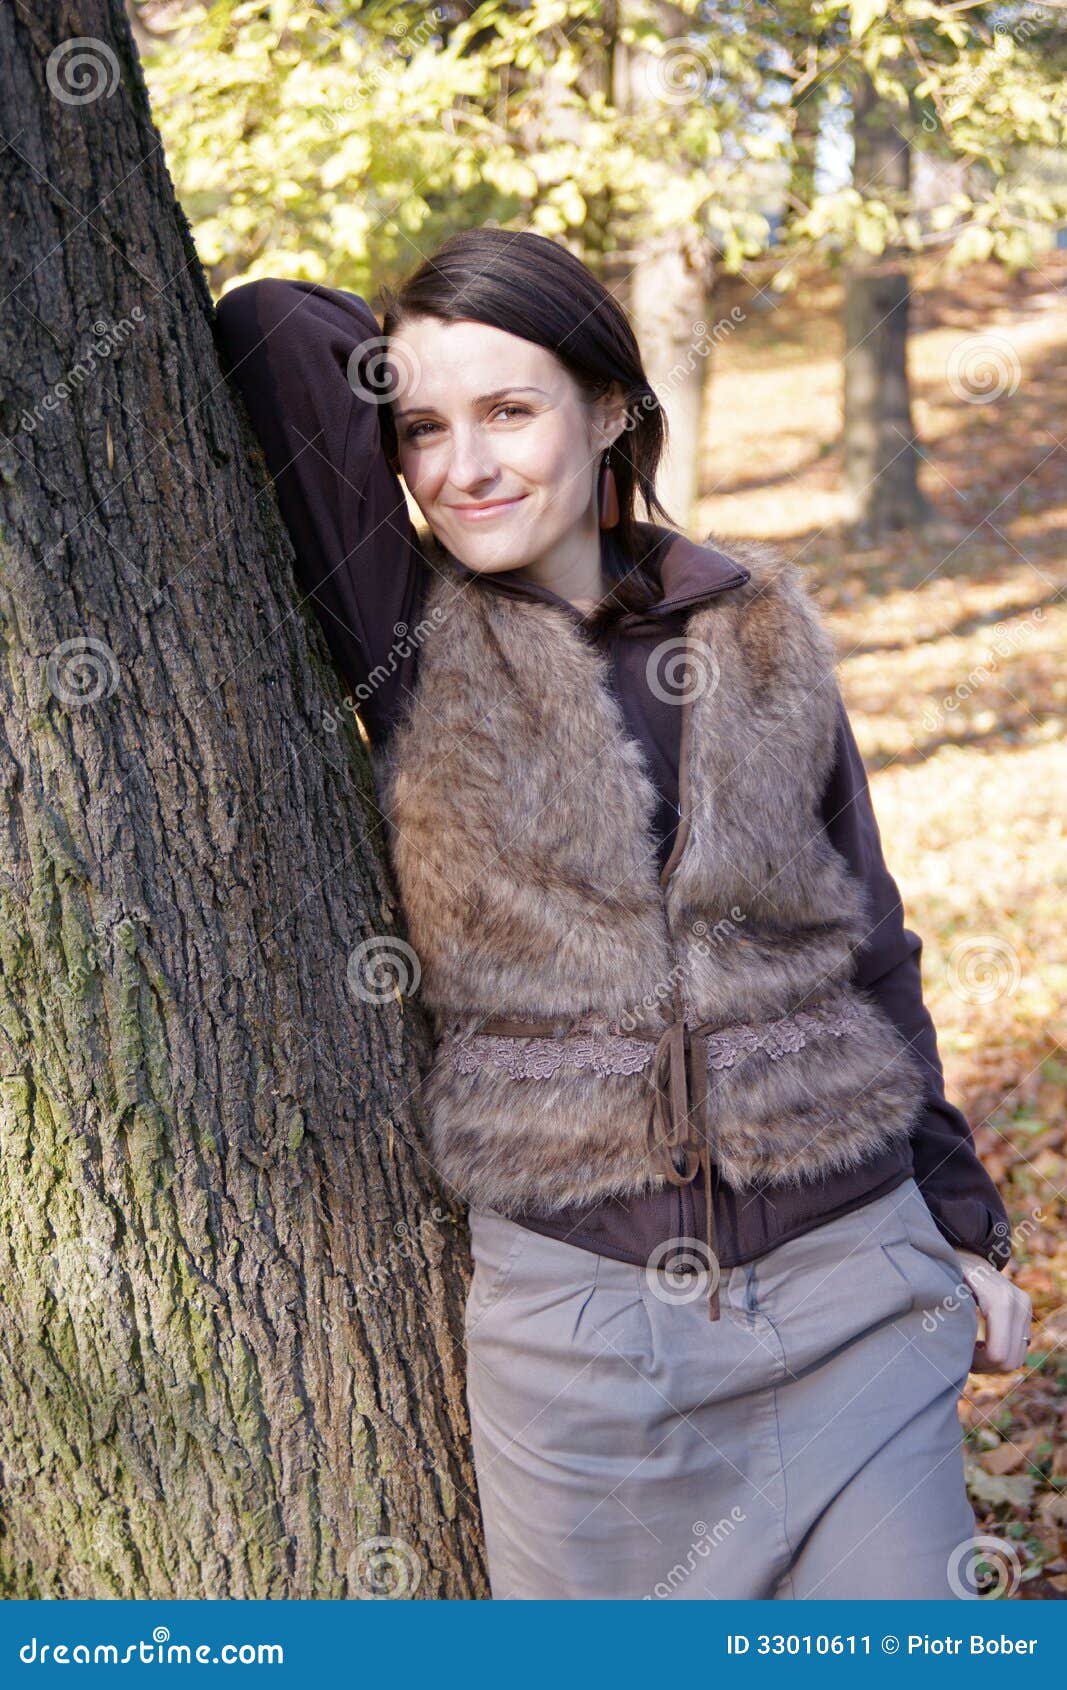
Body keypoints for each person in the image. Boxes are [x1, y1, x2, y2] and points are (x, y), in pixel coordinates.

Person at [214, 226, 1031, 1601]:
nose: (463, 467)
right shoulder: (410, 628)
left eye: (511, 411)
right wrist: (431, 329)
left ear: (610, 409)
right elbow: (269, 333)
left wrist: (960, 1228)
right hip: (588, 1352)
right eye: (422, 427)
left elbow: (871, 941)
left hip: (851, 1289)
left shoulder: (758, 626)